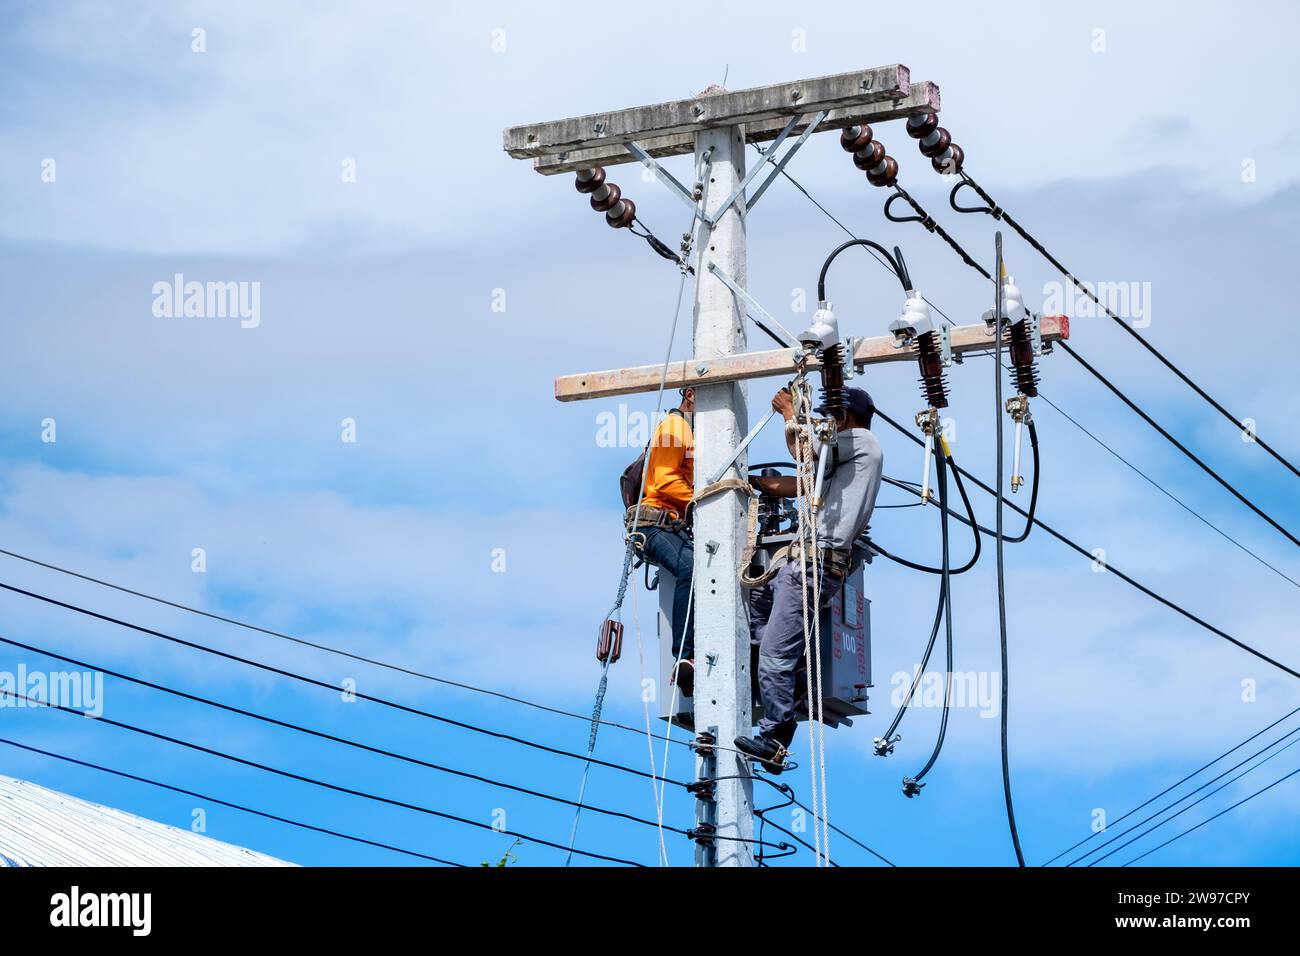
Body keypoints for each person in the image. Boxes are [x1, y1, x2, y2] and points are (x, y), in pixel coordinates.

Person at [736, 386, 882, 772]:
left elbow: (806, 453)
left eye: (833, 415)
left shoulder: (863, 442)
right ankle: (789, 685)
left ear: (846, 417)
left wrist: (789, 414)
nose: (828, 422)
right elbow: (804, 479)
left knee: (774, 654)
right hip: (802, 563)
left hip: (814, 564)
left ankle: (775, 735)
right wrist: (755, 486)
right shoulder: (847, 457)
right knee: (757, 610)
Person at [627, 387, 696, 695]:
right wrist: (704, 501)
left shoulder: (694, 434)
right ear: (691, 394)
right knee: (691, 567)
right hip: (653, 523)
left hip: (670, 523)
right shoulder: (675, 427)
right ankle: (684, 654)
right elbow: (666, 479)